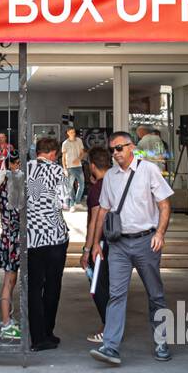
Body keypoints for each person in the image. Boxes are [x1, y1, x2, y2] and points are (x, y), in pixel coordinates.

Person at [87, 130, 174, 366]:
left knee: (155, 294)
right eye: (112, 150)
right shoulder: (111, 177)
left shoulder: (149, 170)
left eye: (119, 148)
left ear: (132, 147)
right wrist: (95, 243)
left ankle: (161, 341)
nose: (116, 154)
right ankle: (111, 347)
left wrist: (160, 233)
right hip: (119, 244)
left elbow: (165, 204)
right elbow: (103, 211)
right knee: (116, 294)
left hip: (147, 241)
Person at [25, 137, 68, 351]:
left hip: (32, 237)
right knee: (52, 286)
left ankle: (37, 337)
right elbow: (65, 203)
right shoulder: (58, 171)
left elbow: (15, 203)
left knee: (34, 287)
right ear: (52, 153)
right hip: (54, 236)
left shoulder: (23, 171)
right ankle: (48, 332)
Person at [81, 147, 113, 343]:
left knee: (98, 286)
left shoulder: (98, 188)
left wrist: (88, 249)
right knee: (111, 285)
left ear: (92, 166)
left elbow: (94, 221)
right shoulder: (117, 181)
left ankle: (108, 327)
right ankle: (111, 325)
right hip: (120, 240)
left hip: (102, 243)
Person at [0, 152, 22, 341]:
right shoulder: (15, 184)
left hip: (8, 237)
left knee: (9, 282)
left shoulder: (4, 183)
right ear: (11, 165)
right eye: (18, 163)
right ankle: (6, 323)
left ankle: (7, 320)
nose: (20, 167)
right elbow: (19, 214)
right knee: (9, 282)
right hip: (14, 238)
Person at [61, 127, 86, 209]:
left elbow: (82, 153)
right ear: (68, 133)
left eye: (74, 132)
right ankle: (72, 204)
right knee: (70, 187)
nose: (73, 134)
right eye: (71, 132)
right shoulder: (65, 143)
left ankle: (77, 202)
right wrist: (64, 169)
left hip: (79, 166)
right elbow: (63, 157)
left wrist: (78, 159)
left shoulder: (79, 140)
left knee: (82, 185)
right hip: (70, 167)